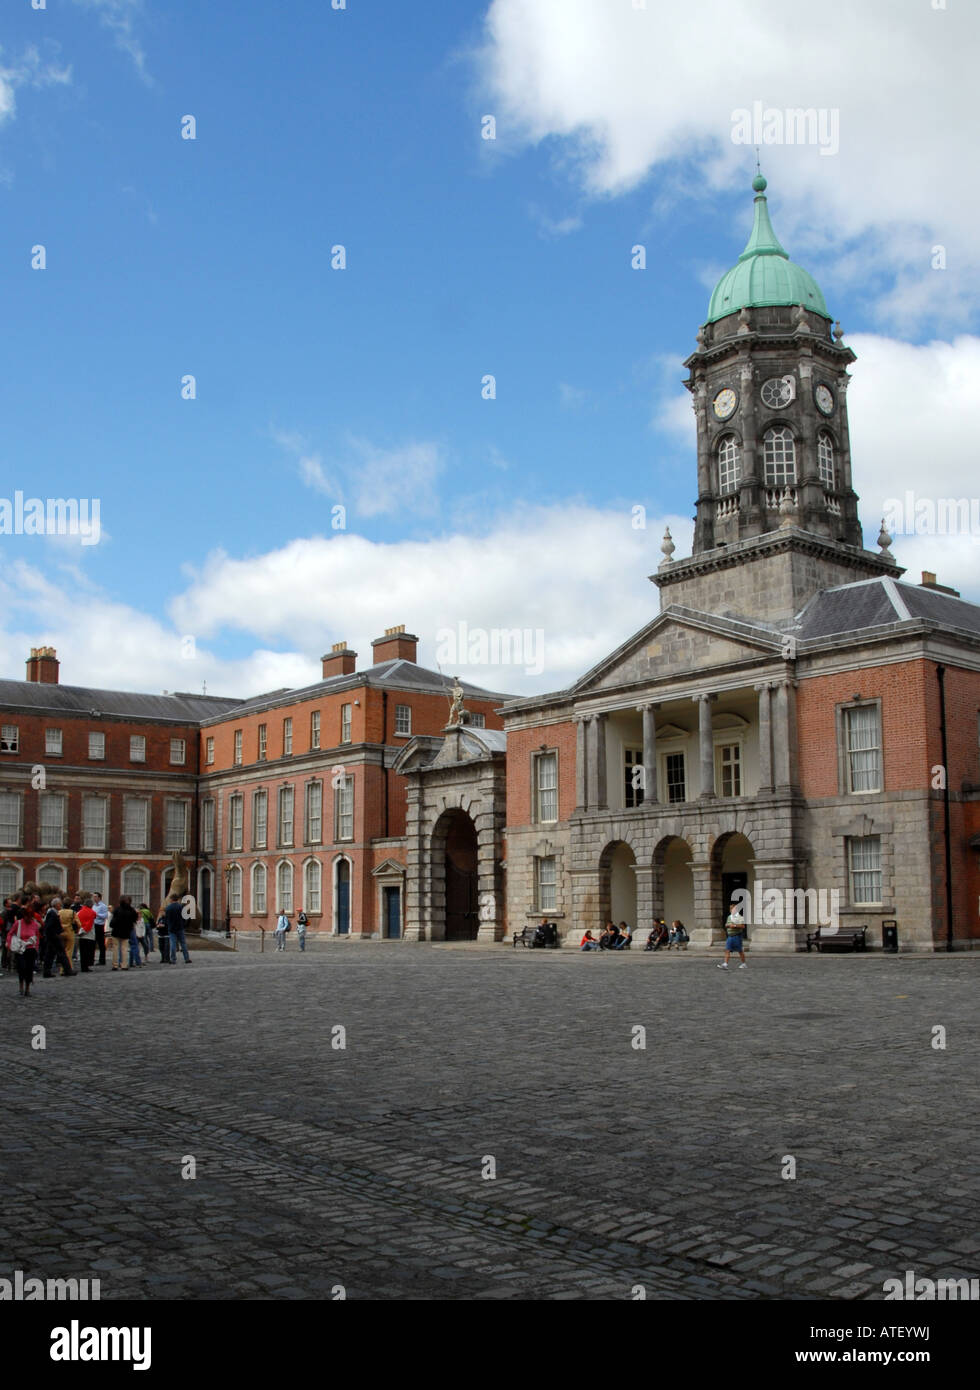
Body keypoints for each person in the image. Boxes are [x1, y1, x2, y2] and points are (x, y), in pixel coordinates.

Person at [8, 908, 41, 998]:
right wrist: (9, 943)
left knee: (29, 969)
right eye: (28, 917)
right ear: (24, 916)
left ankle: (27, 988)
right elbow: (10, 933)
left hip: (31, 949)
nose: (29, 919)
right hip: (20, 949)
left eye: (31, 918)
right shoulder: (18, 923)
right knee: (22, 968)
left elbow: (37, 936)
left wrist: (36, 947)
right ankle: (21, 985)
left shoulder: (34, 924)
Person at [42, 898, 76, 978]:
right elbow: (49, 926)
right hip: (54, 937)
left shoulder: (52, 912)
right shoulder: (52, 913)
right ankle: (67, 970)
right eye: (59, 904)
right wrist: (57, 932)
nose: (60, 905)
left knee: (50, 955)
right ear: (56, 905)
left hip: (52, 937)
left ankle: (47, 971)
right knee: (61, 954)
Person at [110, 896, 139, 970]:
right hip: (126, 931)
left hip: (116, 931)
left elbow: (113, 921)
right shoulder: (131, 910)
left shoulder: (117, 910)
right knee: (124, 949)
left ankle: (115, 965)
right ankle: (124, 965)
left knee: (115, 948)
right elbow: (135, 919)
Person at [718, 901, 747, 970]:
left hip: (737, 936)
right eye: (731, 909)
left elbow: (743, 926)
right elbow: (726, 924)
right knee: (727, 950)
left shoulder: (740, 917)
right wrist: (727, 925)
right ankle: (725, 964)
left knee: (740, 951)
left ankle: (743, 964)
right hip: (730, 936)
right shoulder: (729, 917)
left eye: (733, 909)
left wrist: (734, 925)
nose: (732, 910)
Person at [165, 894, 191, 964]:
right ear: (177, 899)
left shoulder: (168, 908)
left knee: (173, 944)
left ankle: (173, 959)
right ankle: (187, 958)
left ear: (171, 899)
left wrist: (168, 925)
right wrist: (183, 924)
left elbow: (166, 919)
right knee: (183, 944)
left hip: (172, 928)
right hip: (180, 927)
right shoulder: (181, 907)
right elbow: (185, 917)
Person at [75, 899, 97, 973]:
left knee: (83, 952)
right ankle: (87, 966)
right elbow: (90, 923)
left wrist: (80, 930)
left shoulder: (79, 912)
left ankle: (83, 966)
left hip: (81, 935)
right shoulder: (92, 912)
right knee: (89, 952)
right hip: (89, 935)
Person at [92, 892, 109, 966]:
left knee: (101, 943)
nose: (94, 898)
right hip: (93, 925)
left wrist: (96, 914)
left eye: (95, 897)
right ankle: (91, 959)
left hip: (100, 925)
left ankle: (102, 960)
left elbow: (105, 916)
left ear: (99, 897)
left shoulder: (103, 906)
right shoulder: (93, 906)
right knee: (93, 943)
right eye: (93, 897)